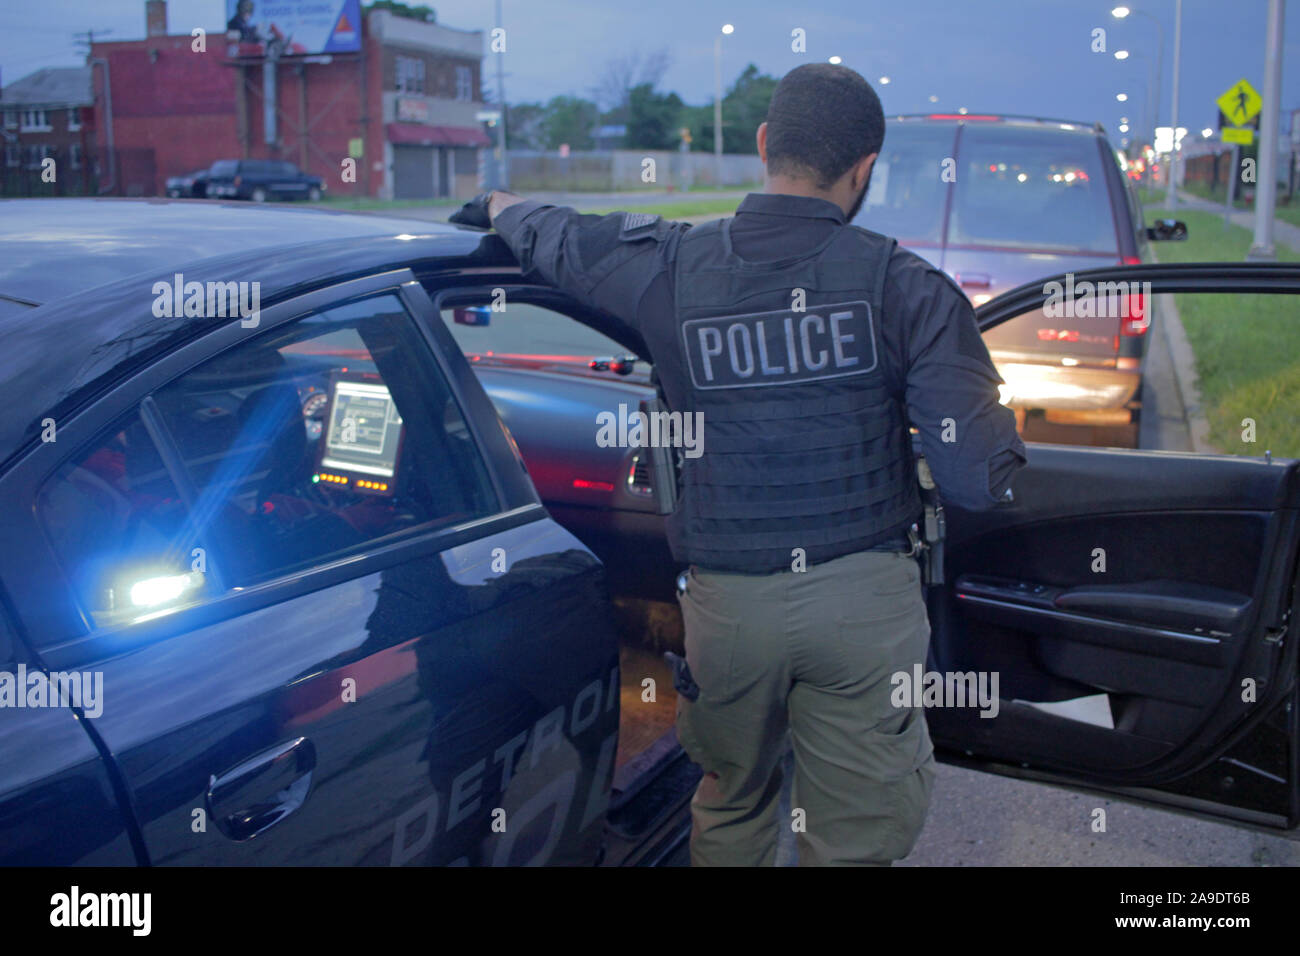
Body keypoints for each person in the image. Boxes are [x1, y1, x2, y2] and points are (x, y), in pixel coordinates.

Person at [449, 63, 1025, 866]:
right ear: (866, 168)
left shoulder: (669, 263)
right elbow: (977, 478)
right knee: (857, 831)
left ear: (763, 145)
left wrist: (500, 205)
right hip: (862, 607)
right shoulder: (909, 288)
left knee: (733, 798)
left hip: (729, 610)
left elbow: (558, 236)